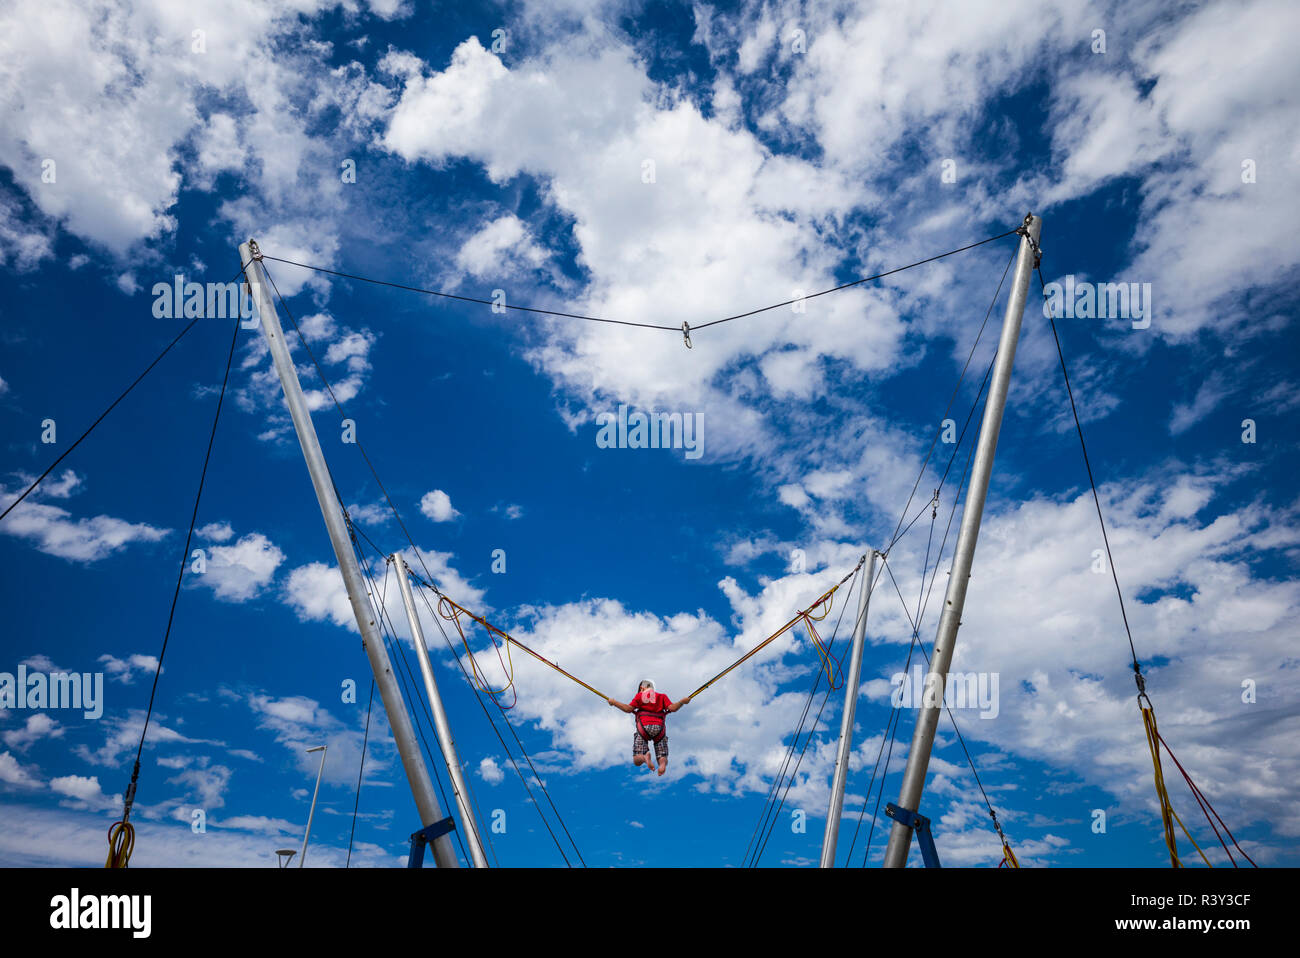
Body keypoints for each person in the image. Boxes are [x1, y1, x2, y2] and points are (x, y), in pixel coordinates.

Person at [608, 680, 690, 776]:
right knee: (662, 755)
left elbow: (628, 709)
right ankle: (662, 764)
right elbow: (673, 708)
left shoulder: (640, 696)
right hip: (659, 729)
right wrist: (682, 702)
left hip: (643, 728)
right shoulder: (662, 696)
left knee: (637, 760)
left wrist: (614, 702)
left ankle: (644, 757)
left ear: (642, 688)